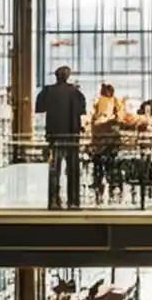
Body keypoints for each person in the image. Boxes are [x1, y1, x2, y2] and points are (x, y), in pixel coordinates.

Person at [35, 66, 87, 209]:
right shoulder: (76, 93)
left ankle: (53, 201)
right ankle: (73, 202)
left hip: (54, 136)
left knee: (54, 170)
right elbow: (82, 112)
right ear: (68, 76)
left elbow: (39, 108)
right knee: (73, 170)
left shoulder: (47, 92)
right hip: (72, 136)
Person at [90, 83, 122, 197]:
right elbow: (119, 119)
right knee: (110, 165)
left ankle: (99, 184)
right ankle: (111, 185)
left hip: (99, 143)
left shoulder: (99, 103)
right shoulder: (112, 103)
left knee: (99, 164)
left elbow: (95, 122)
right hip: (109, 143)